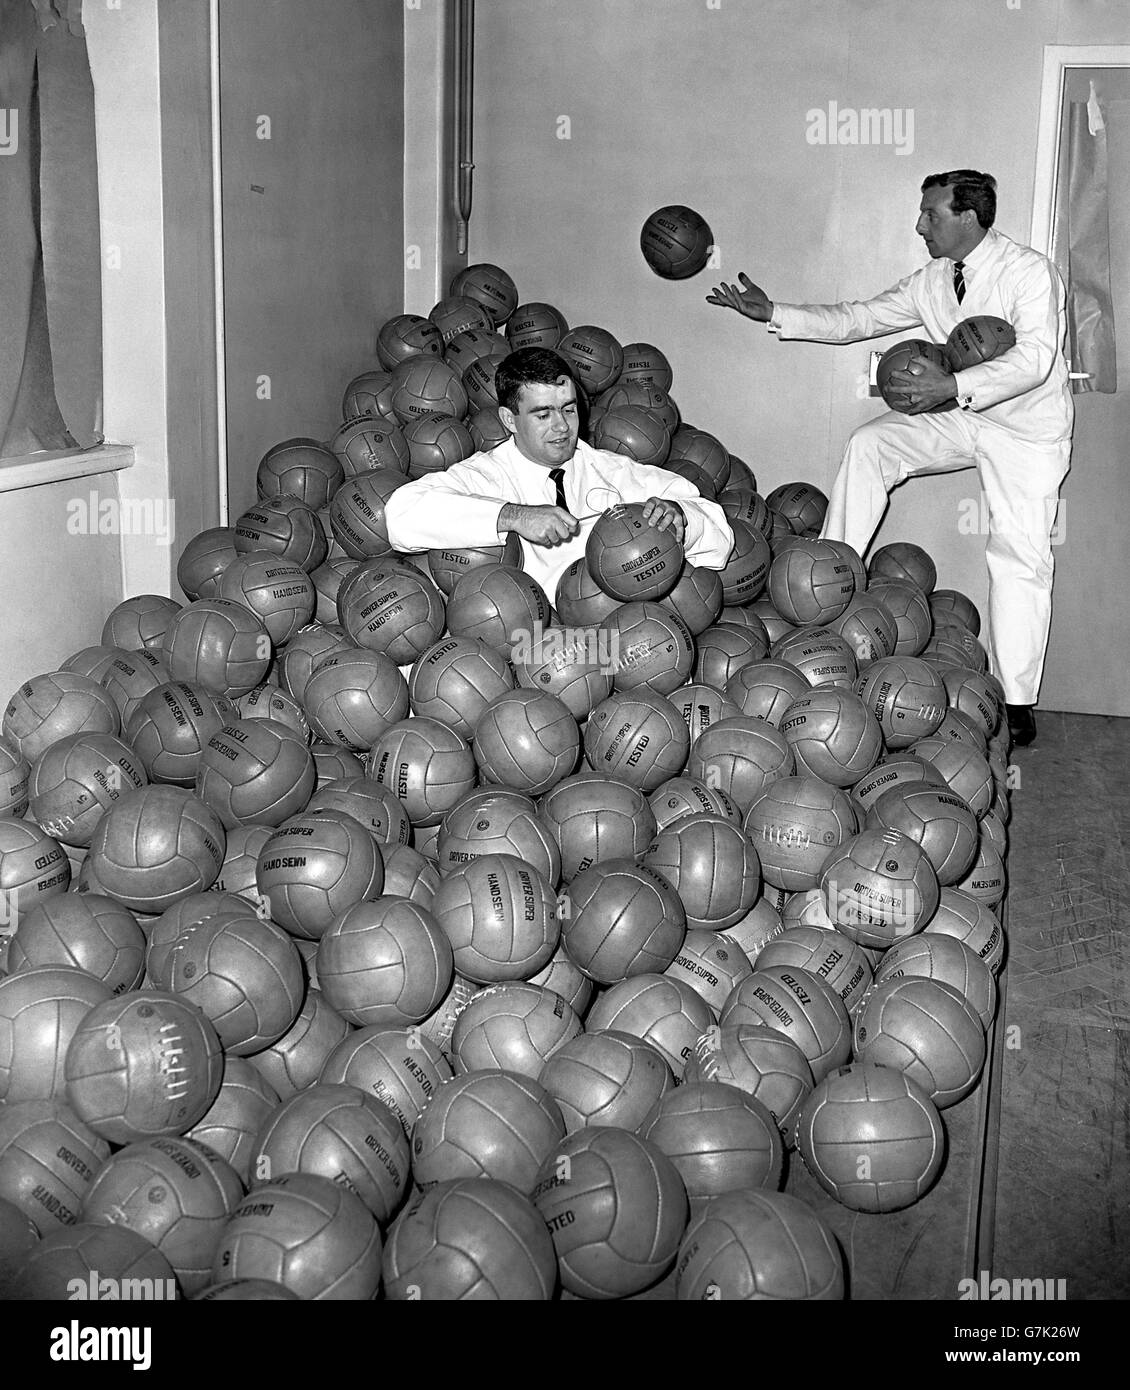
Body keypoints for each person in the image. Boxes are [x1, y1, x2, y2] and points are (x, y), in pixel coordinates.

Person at [706, 170, 1074, 747]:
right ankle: (822, 591)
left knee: (1019, 553)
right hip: (960, 412)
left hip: (1026, 429)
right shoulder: (932, 280)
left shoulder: (1029, 271)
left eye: (931, 214)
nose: (919, 224)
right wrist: (773, 311)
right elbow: (861, 316)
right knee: (871, 443)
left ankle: (1017, 698)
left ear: (968, 217)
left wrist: (950, 388)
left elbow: (1034, 359)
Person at [383, 346, 735, 605]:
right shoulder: (486, 474)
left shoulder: (611, 469)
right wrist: (514, 516)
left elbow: (718, 533)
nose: (562, 427)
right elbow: (400, 515)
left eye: (568, 410)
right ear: (509, 420)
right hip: (532, 645)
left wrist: (681, 516)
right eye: (543, 415)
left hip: (618, 640)